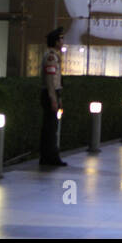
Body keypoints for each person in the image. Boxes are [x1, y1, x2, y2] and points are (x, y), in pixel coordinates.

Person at [40, 27, 68, 167]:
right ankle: (51, 157)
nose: (63, 41)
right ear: (55, 41)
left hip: (54, 93)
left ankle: (46, 156)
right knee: (51, 128)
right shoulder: (51, 57)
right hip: (50, 94)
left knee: (50, 126)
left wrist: (59, 97)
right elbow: (50, 81)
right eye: (61, 39)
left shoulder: (54, 55)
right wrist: (53, 99)